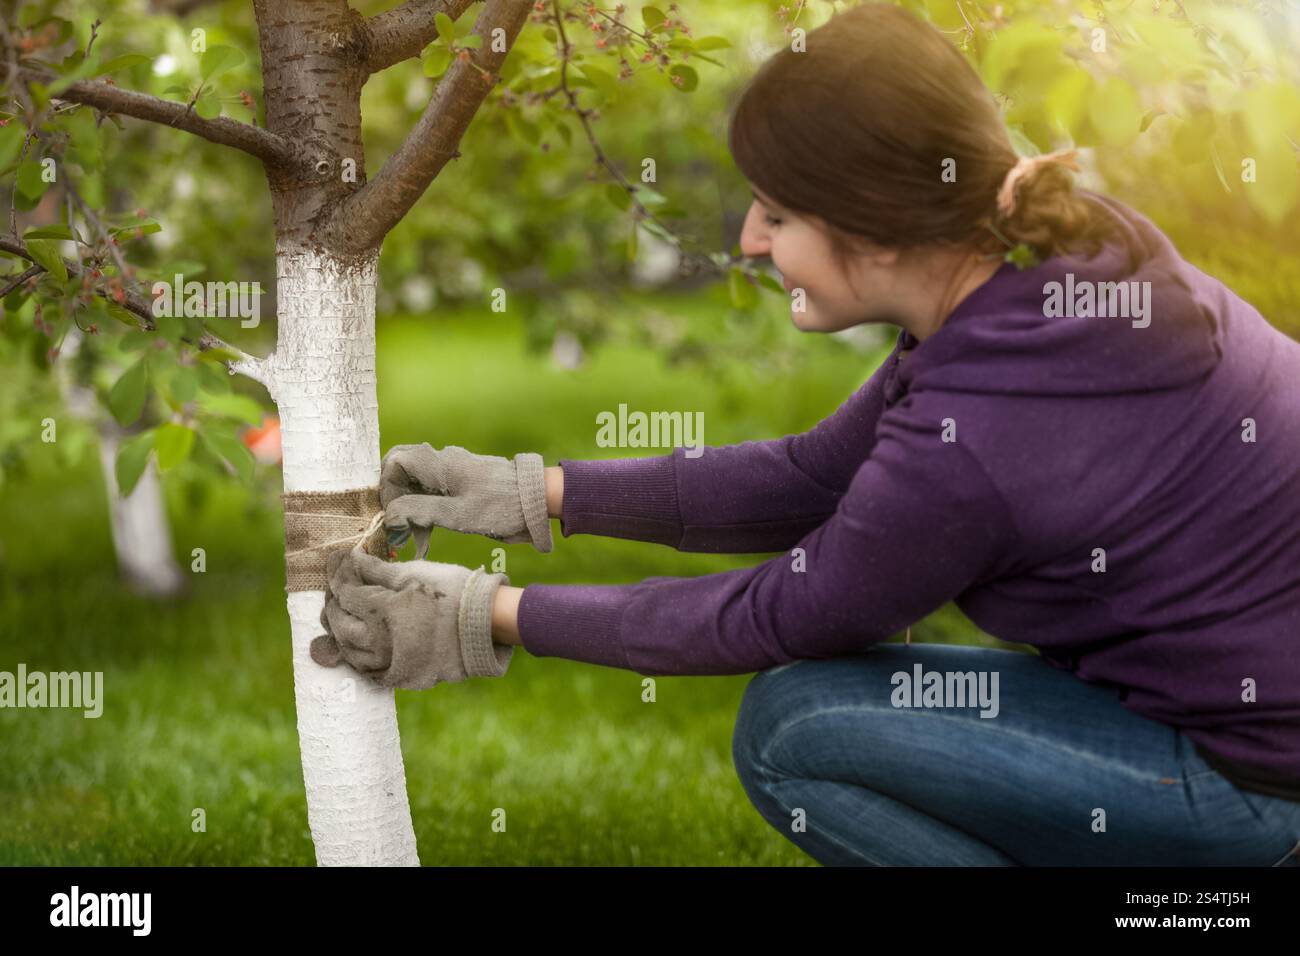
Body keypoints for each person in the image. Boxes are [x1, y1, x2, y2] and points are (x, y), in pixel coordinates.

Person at [310, 3, 1300, 866]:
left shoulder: (981, 432)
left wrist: (484, 614)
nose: (746, 238)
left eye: (777, 214)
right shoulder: (1049, 258)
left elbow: (775, 617)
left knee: (795, 724)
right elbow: (810, 475)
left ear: (873, 228)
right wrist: (535, 491)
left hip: (1248, 786)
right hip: (1244, 722)